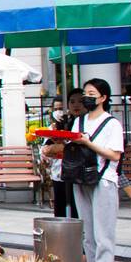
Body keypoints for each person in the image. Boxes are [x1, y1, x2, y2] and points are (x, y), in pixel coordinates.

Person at [69, 78, 124, 262]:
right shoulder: (79, 121)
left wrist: (88, 143)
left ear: (103, 98)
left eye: (92, 94)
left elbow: (115, 155)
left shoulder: (112, 124)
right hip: (81, 178)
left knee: (104, 232)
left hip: (104, 180)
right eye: (86, 94)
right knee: (88, 232)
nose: (87, 98)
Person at [43, 90, 83, 219]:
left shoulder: (84, 123)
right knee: (60, 210)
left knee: (78, 209)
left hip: (79, 175)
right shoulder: (58, 126)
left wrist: (62, 148)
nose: (76, 105)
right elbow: (46, 150)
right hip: (60, 173)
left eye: (80, 101)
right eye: (72, 102)